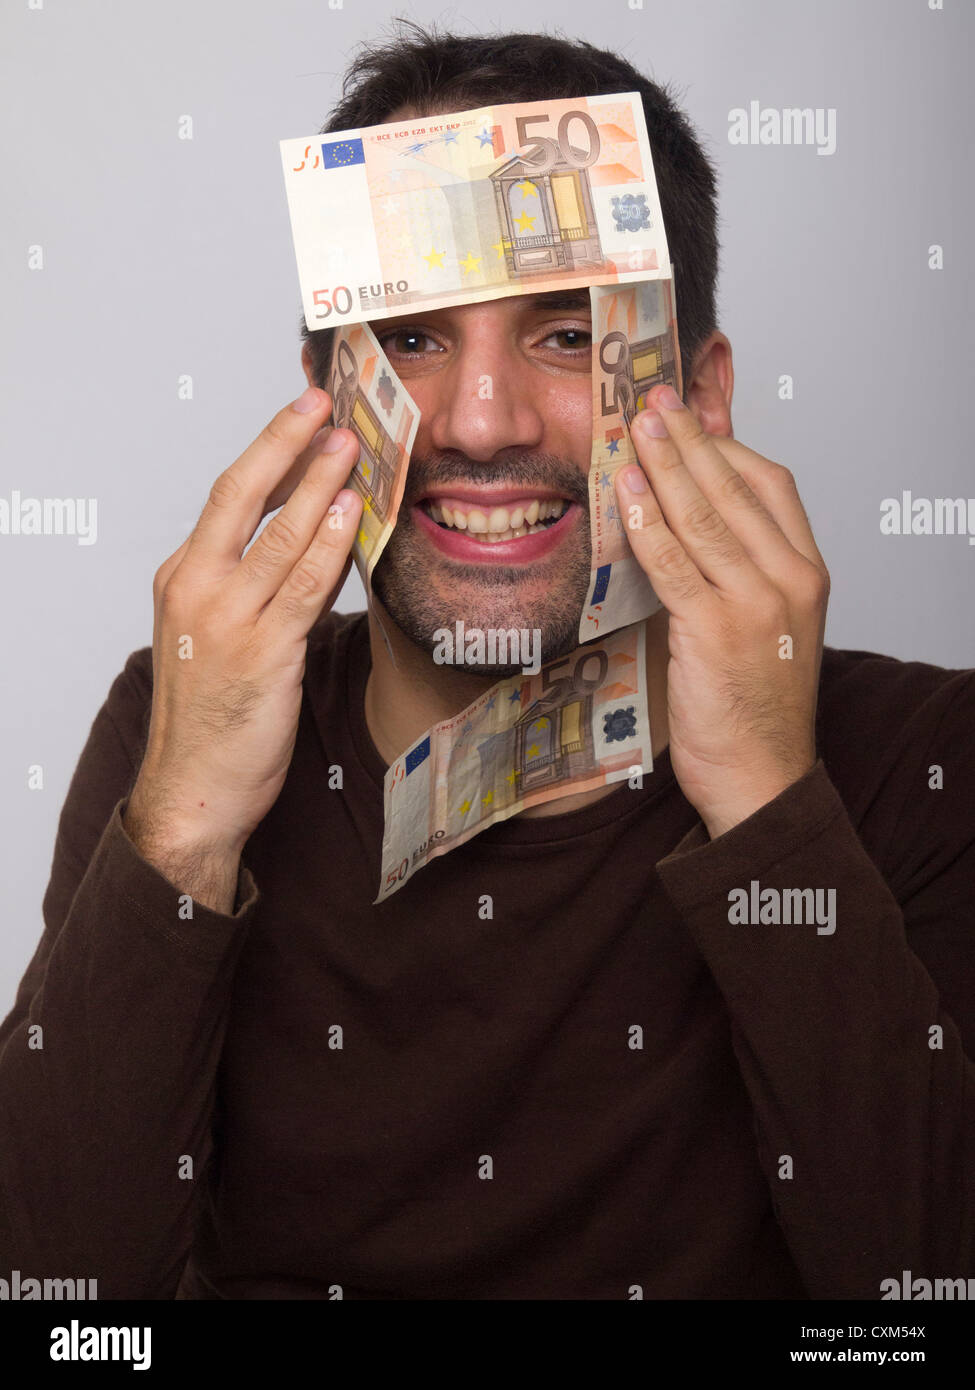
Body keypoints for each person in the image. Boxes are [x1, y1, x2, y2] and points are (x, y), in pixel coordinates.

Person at [1, 21, 972, 1302]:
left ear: (705, 395)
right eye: (411, 339)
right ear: (320, 400)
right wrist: (181, 827)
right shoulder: (174, 721)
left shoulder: (922, 759)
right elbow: (64, 1318)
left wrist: (772, 810)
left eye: (568, 336)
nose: (481, 419)